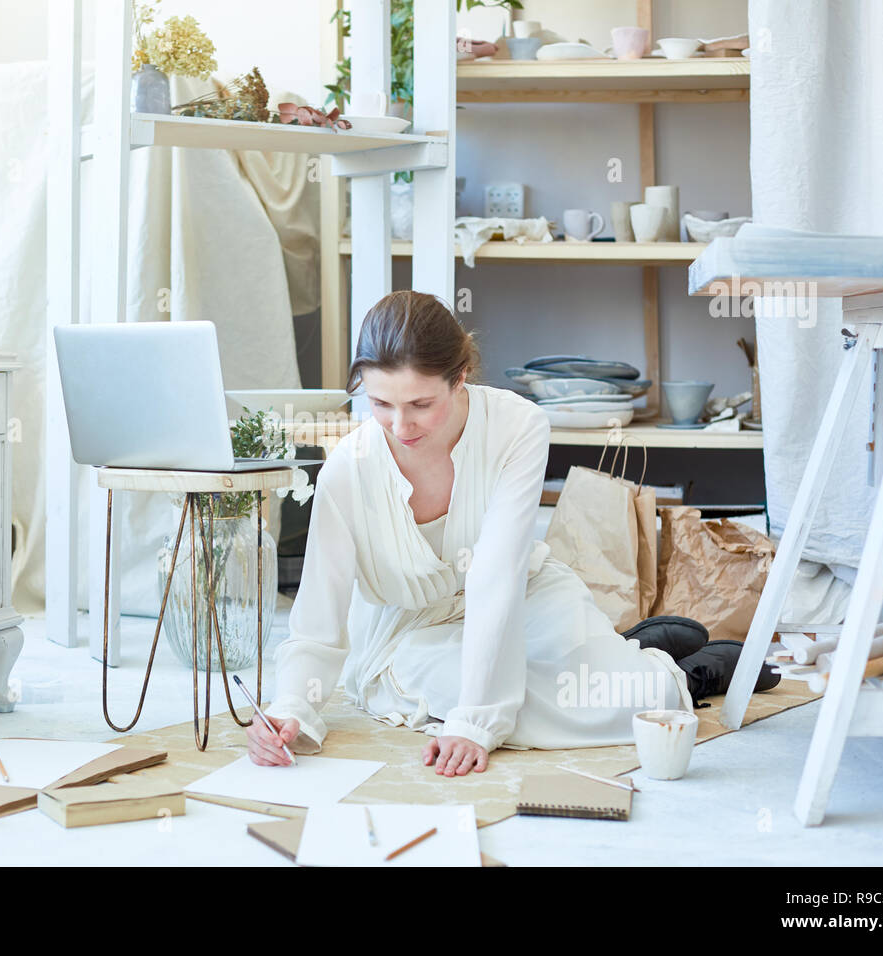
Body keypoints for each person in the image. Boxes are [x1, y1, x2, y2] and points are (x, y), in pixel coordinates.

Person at [247, 290, 772, 776]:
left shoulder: (517, 426)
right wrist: (292, 708)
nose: (400, 426)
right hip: (408, 631)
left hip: (521, 590)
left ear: (461, 376)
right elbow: (318, 615)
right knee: (462, 695)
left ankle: (652, 667)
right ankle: (683, 668)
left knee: (623, 697)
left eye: (419, 405)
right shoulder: (348, 467)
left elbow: (496, 574)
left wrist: (475, 720)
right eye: (380, 404)